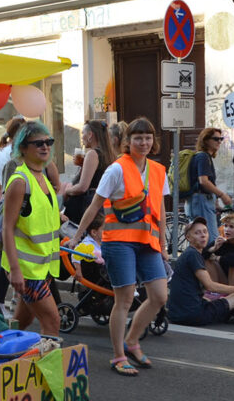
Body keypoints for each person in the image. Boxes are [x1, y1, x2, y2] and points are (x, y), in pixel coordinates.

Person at [68, 116, 169, 376]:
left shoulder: (158, 170)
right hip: (120, 243)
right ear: (128, 141)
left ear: (153, 141)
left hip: (148, 242)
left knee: (159, 296)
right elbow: (95, 205)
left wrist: (164, 244)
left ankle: (132, 340)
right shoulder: (116, 169)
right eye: (138, 138)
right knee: (123, 301)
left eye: (148, 138)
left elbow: (161, 209)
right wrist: (78, 235)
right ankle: (118, 356)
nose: (144, 142)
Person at [0, 122, 63, 336]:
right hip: (26, 270)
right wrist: (15, 270)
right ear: (23, 148)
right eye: (38, 143)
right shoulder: (20, 181)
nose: (45, 147)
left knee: (20, 323)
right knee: (53, 323)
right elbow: (7, 228)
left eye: (48, 142)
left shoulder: (42, 177)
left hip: (42, 267)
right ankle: (49, 369)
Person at [166, 217, 234, 326]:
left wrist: (213, 249)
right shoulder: (193, 255)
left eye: (205, 232)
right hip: (193, 314)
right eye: (197, 233)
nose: (203, 235)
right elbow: (210, 285)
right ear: (188, 237)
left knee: (211, 299)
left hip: (175, 313)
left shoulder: (190, 253)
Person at [63, 119, 116, 225]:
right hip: (104, 205)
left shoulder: (92, 154)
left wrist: (67, 191)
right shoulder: (109, 154)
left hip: (87, 206)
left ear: (90, 135)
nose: (82, 137)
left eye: (83, 133)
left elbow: (83, 187)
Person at [187, 127, 233, 245]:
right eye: (216, 139)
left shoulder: (204, 157)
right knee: (210, 240)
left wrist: (215, 201)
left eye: (221, 139)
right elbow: (204, 181)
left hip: (203, 200)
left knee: (204, 239)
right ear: (206, 140)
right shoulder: (202, 157)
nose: (219, 141)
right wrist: (222, 195)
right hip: (201, 200)